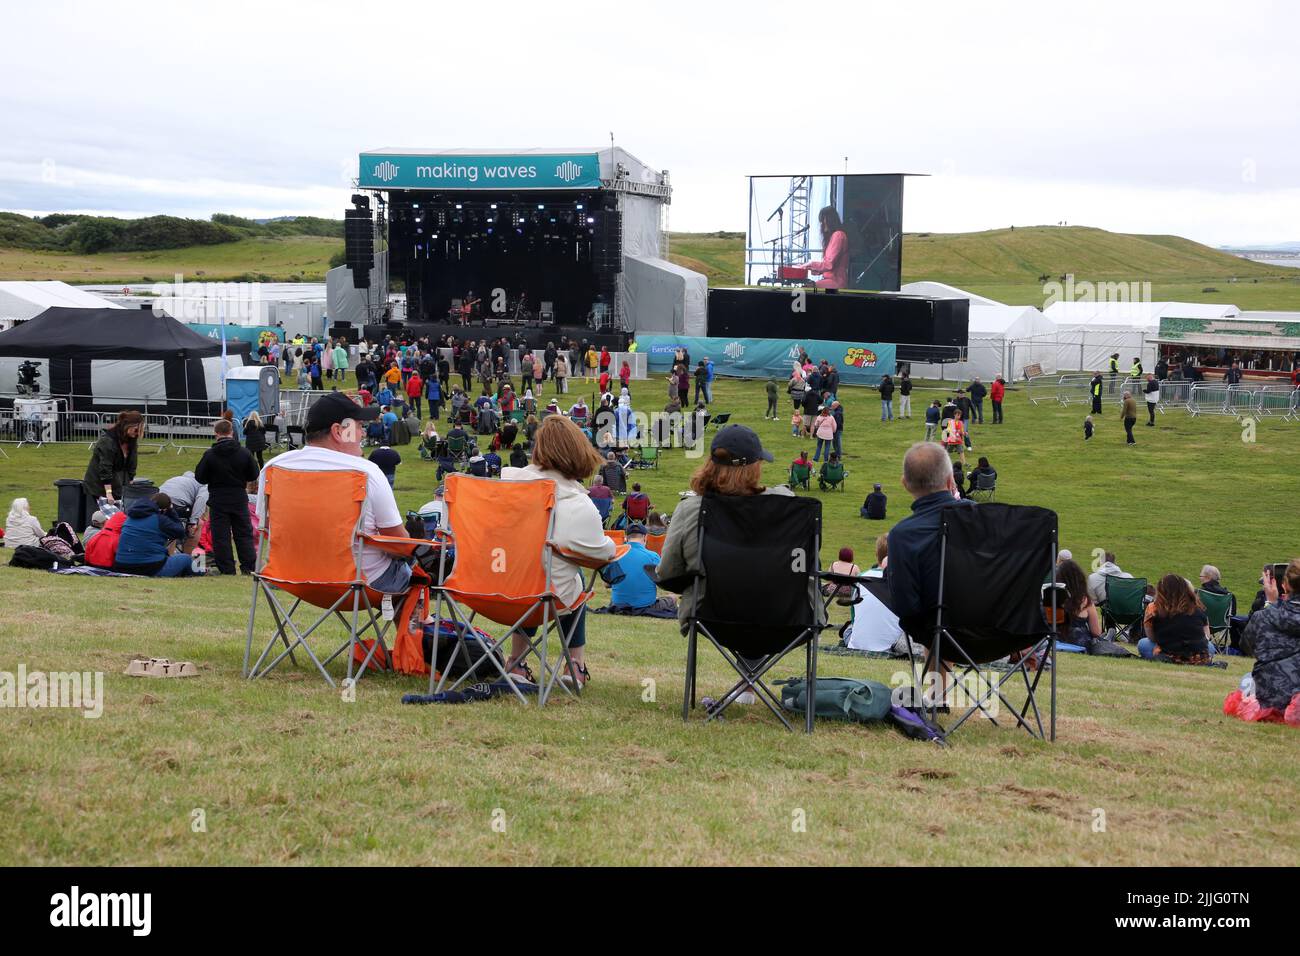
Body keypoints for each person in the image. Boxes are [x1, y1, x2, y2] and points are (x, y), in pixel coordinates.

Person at [657, 425, 818, 706]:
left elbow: (669, 572)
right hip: (787, 618)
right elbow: (806, 565)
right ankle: (748, 684)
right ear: (754, 468)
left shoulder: (692, 510)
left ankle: (747, 684)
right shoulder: (787, 506)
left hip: (712, 617)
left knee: (738, 592)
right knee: (757, 591)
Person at [500, 415, 617, 688]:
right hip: (541, 597)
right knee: (569, 583)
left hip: (494, 590)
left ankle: (515, 663)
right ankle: (575, 665)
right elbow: (601, 551)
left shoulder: (505, 487)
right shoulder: (577, 501)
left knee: (531, 573)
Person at [257, 391, 414, 594]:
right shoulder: (366, 472)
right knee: (417, 576)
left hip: (292, 578)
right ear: (339, 431)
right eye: (358, 426)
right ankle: (423, 624)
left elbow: (268, 526)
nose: (363, 433)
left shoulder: (273, 468)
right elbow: (399, 544)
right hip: (359, 584)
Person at [886, 442, 974, 642]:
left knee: (932, 616)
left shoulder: (902, 535)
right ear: (951, 480)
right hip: (1002, 628)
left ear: (905, 484)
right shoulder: (985, 518)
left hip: (938, 631)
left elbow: (906, 606)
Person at [195, 418, 260, 577]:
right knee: (243, 534)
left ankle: (227, 569)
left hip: (218, 498)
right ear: (232, 432)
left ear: (216, 434)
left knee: (221, 536)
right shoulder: (244, 453)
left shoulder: (210, 455)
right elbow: (254, 473)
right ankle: (249, 566)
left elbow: (200, 477)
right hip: (238, 496)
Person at [1240, 559, 1300, 711]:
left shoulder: (1263, 616)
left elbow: (1247, 648)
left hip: (1271, 699)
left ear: (1285, 585)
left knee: (1247, 679)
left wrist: (1271, 605)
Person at [112, 492, 196, 577]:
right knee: (186, 559)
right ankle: (202, 572)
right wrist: (171, 511)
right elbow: (181, 532)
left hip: (121, 565)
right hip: (149, 568)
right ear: (163, 509)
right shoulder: (160, 520)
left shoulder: (130, 517)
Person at [1139, 574, 1213, 662]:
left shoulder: (1154, 608)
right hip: (1198, 657)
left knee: (1143, 643)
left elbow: (1152, 638)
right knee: (1210, 647)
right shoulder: (1197, 607)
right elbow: (1206, 636)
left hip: (1169, 654)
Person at [83, 409, 141, 506]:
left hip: (118, 484)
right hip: (99, 486)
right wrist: (108, 493)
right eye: (136, 430)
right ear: (128, 426)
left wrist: (130, 484)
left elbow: (132, 464)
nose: (138, 433)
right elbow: (105, 467)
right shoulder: (107, 441)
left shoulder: (132, 441)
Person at [606, 524, 666, 613]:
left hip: (618, 604)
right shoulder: (653, 556)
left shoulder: (615, 554)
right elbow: (661, 581)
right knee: (672, 598)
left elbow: (606, 584)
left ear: (626, 538)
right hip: (646, 605)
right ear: (645, 537)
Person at [1055, 558, 1103, 651]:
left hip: (1057, 641)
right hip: (1080, 644)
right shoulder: (1085, 601)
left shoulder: (1053, 598)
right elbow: (1096, 632)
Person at [802, 206, 849, 289]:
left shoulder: (838, 235)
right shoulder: (833, 236)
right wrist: (808, 267)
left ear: (829, 220)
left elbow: (829, 264)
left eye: (822, 221)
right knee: (806, 287)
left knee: (805, 289)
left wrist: (810, 264)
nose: (821, 224)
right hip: (831, 280)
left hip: (836, 281)